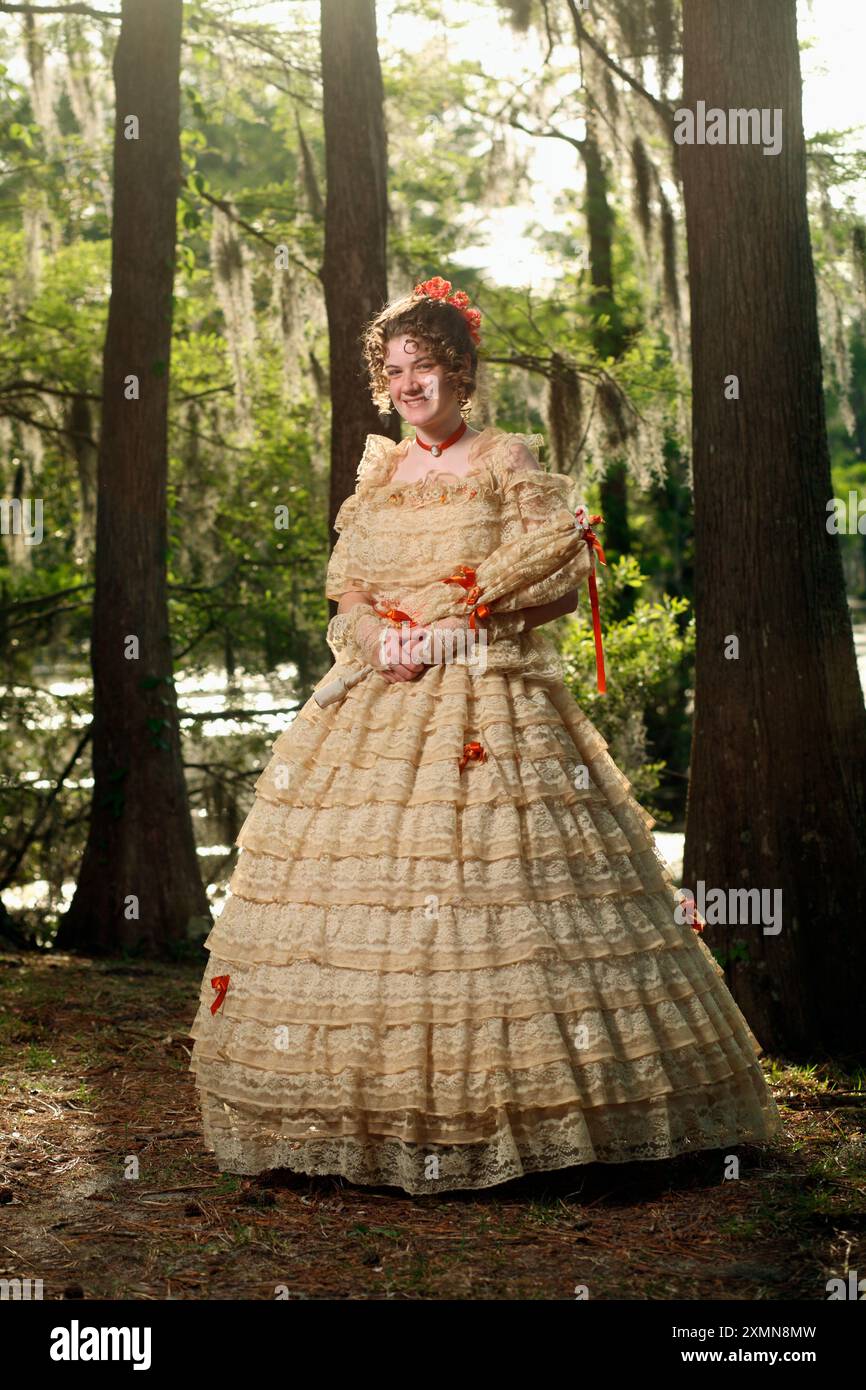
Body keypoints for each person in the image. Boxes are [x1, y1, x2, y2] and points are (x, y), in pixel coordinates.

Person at [189, 275, 783, 1195]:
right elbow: (344, 588)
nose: (411, 384)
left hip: (486, 699)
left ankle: (548, 1124)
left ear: (461, 373)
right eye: (396, 370)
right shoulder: (378, 471)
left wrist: (454, 623)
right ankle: (368, 1116)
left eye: (426, 366)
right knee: (365, 911)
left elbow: (556, 568)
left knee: (505, 901)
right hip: (373, 704)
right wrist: (376, 637)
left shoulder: (504, 457)